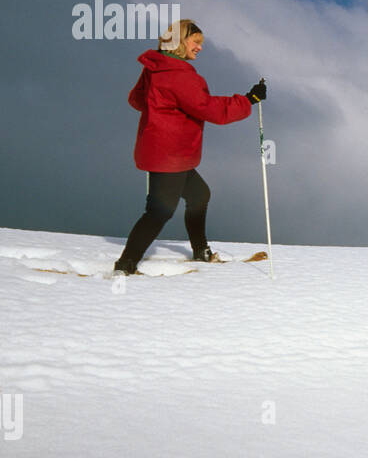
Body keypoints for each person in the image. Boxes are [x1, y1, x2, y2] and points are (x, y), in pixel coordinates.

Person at [113, 19, 266, 275]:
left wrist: (162, 113)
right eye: (195, 42)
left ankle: (200, 251)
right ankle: (125, 265)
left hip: (166, 152)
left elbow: (136, 99)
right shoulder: (180, 75)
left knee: (199, 195)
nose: (200, 48)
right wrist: (249, 100)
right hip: (170, 156)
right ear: (180, 41)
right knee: (159, 212)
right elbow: (211, 110)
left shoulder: (155, 67)